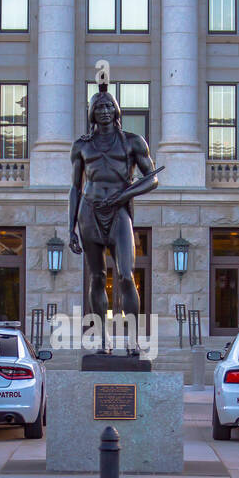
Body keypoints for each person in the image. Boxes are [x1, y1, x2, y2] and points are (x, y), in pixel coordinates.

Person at [69, 83, 161, 354]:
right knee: (96, 276)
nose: (106, 111)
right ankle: (102, 340)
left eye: (110, 106)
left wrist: (123, 196)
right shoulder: (81, 146)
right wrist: (70, 227)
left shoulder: (133, 141)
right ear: (92, 113)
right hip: (90, 212)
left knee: (125, 275)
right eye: (99, 107)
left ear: (117, 110)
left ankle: (132, 339)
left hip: (119, 212)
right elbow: (75, 187)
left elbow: (152, 179)